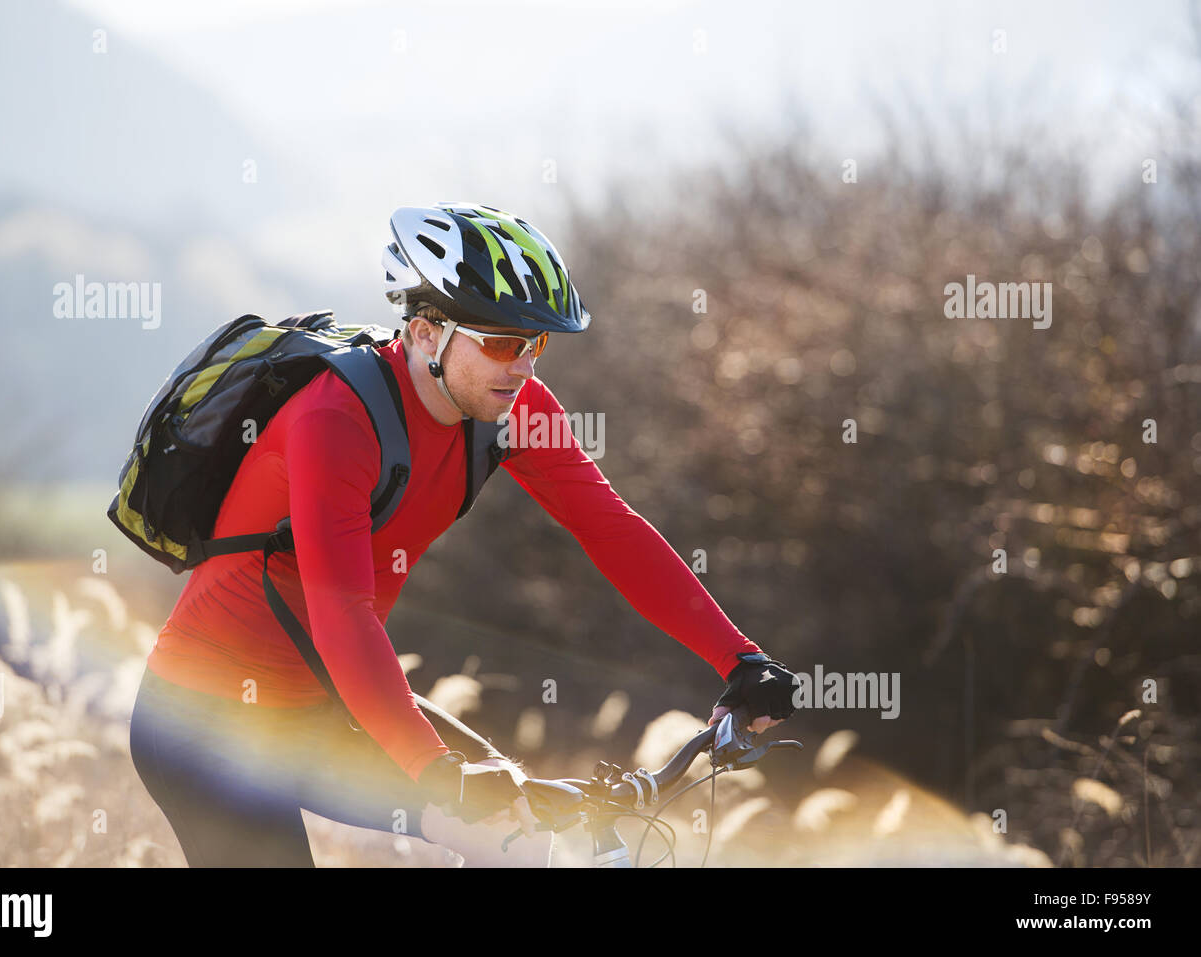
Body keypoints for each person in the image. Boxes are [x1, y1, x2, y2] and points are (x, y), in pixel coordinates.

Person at [128, 201, 800, 867]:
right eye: (504, 342)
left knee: (519, 838)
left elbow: (610, 528)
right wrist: (434, 769)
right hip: (206, 720)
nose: (524, 367)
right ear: (426, 332)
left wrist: (738, 659)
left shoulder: (512, 408)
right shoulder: (335, 419)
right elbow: (342, 612)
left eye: (537, 344)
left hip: (327, 701)